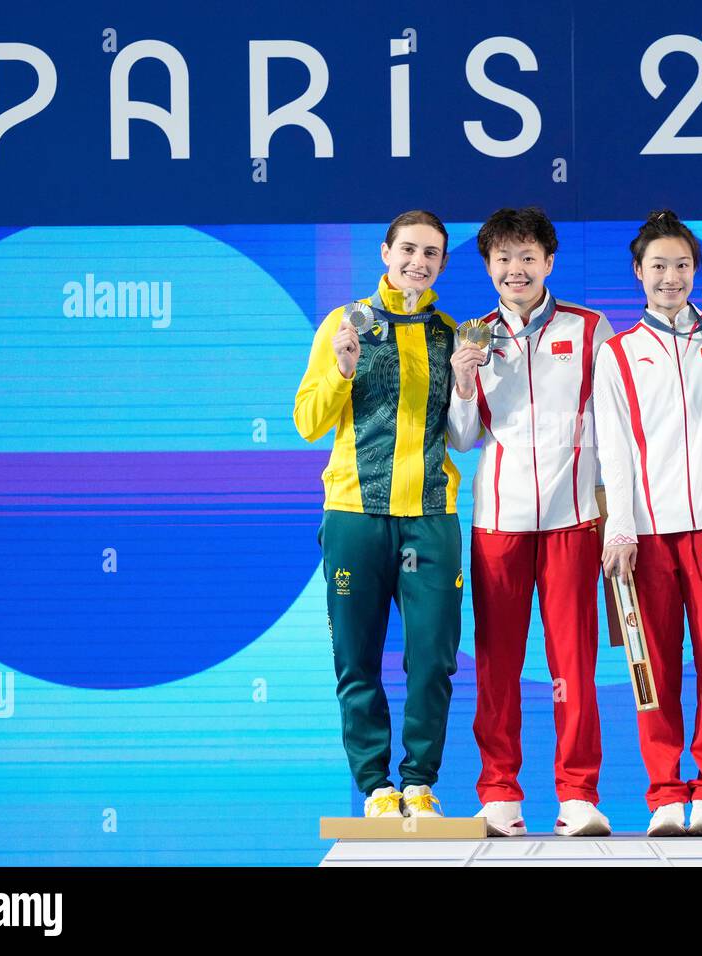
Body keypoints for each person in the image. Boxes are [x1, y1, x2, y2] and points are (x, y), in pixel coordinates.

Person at [294, 209, 471, 821]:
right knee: (356, 658)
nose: (418, 262)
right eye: (409, 250)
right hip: (353, 515)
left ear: (443, 265)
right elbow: (308, 422)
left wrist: (470, 385)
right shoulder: (344, 324)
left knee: (433, 658)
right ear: (384, 253)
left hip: (429, 516)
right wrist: (342, 369)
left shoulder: (452, 335)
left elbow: (464, 432)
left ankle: (419, 783)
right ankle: (375, 787)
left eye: (431, 254)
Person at [592, 209, 702, 837]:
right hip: (646, 533)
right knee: (650, 665)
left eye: (683, 266)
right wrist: (620, 530)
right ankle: (665, 793)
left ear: (697, 272)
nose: (671, 277)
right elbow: (615, 448)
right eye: (659, 266)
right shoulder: (617, 353)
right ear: (639, 272)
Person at [446, 207, 615, 836]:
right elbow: (463, 440)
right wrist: (463, 383)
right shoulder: (473, 336)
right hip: (499, 519)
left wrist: (613, 513)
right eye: (503, 260)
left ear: (548, 262)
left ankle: (577, 795)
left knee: (575, 662)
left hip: (574, 518)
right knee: (497, 663)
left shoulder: (591, 329)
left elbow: (615, 428)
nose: (515, 270)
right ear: (489, 267)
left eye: (527, 258)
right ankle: (500, 795)